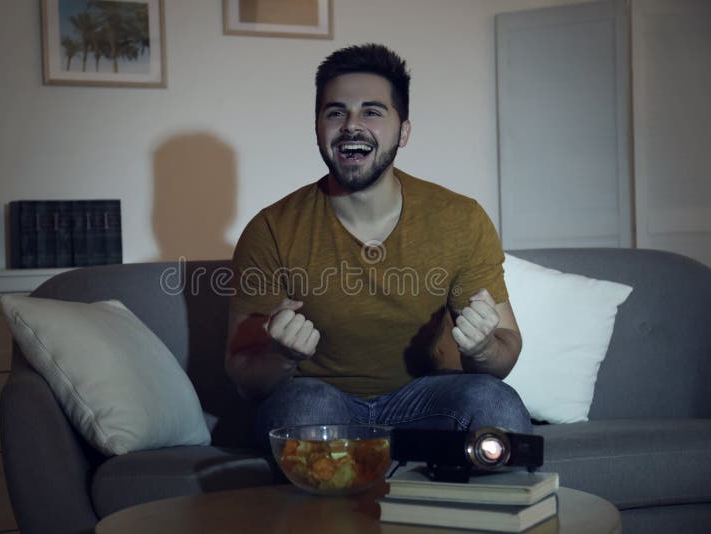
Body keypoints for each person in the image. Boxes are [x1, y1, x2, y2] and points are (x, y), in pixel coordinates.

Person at [225, 43, 531, 451]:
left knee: (497, 405)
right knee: (303, 410)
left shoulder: (460, 218)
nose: (352, 125)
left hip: (424, 402)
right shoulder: (271, 229)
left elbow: (506, 347)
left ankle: (486, 515)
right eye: (336, 112)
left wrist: (482, 348)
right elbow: (245, 380)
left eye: (372, 111)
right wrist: (281, 354)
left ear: (403, 131)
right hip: (320, 406)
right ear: (317, 127)